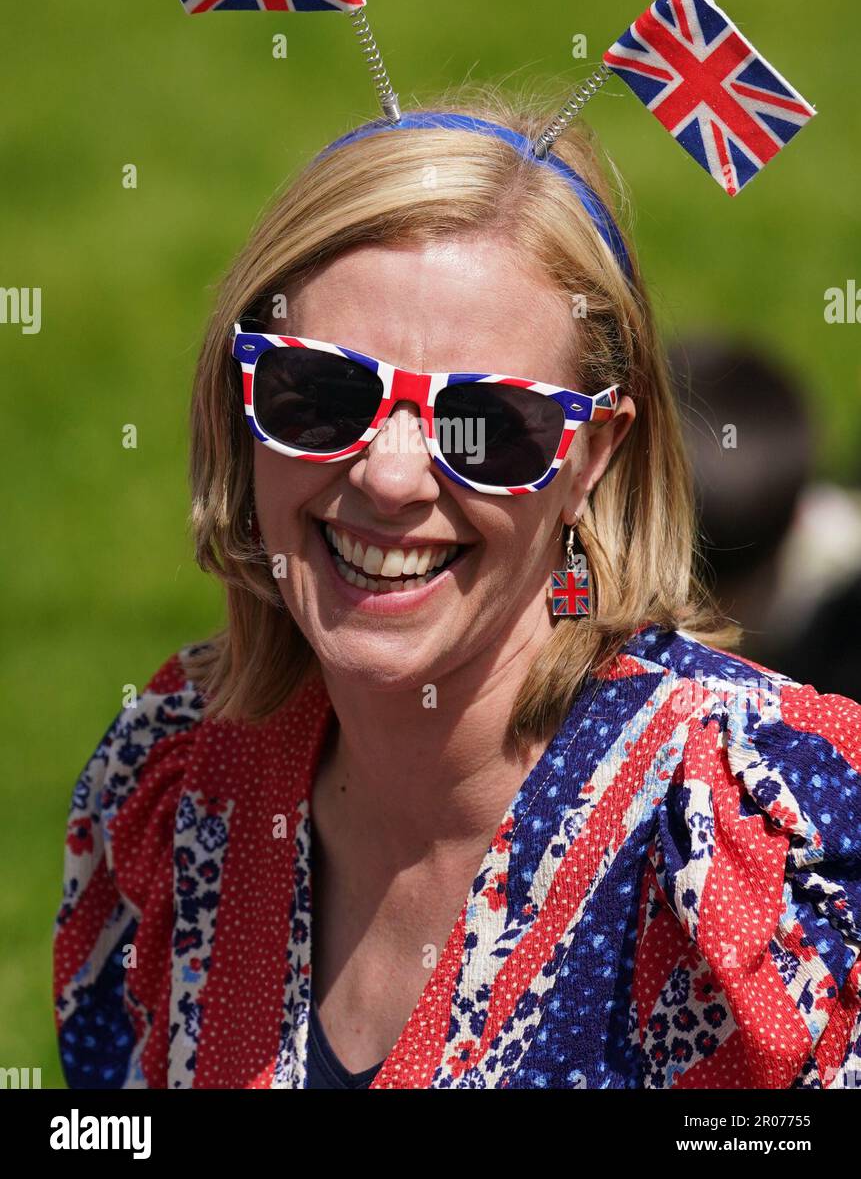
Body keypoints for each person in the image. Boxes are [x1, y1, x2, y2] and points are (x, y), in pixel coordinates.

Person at [53, 87, 861, 1090]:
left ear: (592, 456)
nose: (391, 475)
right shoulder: (169, 780)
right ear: (242, 400)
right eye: (323, 395)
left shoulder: (766, 839)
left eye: (485, 424)